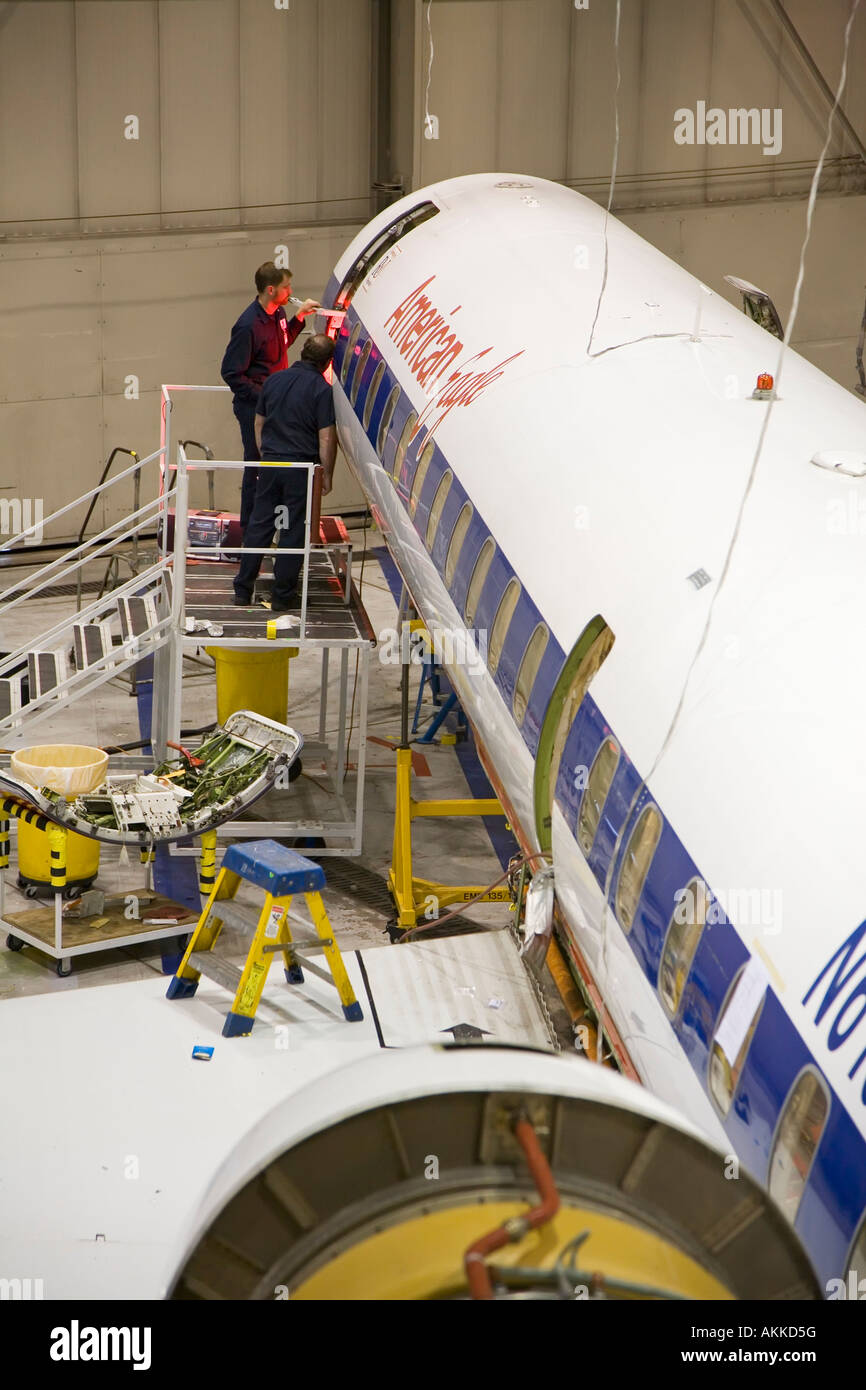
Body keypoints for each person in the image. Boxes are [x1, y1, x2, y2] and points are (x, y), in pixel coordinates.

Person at [233, 334, 337, 612]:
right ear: (327, 363)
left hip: (270, 464)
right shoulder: (322, 390)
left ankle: (242, 590)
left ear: (302, 353)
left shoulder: (274, 380)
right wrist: (325, 475)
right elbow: (326, 437)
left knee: (260, 524)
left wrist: (266, 454)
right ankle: (282, 597)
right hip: (299, 469)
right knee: (292, 531)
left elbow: (258, 423)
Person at [220, 262, 320, 532]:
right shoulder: (247, 326)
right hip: (254, 408)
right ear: (271, 289)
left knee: (274, 465)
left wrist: (299, 317)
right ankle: (249, 530)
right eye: (286, 287)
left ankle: (269, 527)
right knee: (255, 465)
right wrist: (265, 396)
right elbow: (231, 372)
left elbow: (282, 344)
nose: (290, 291)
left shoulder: (278, 315)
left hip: (273, 404)